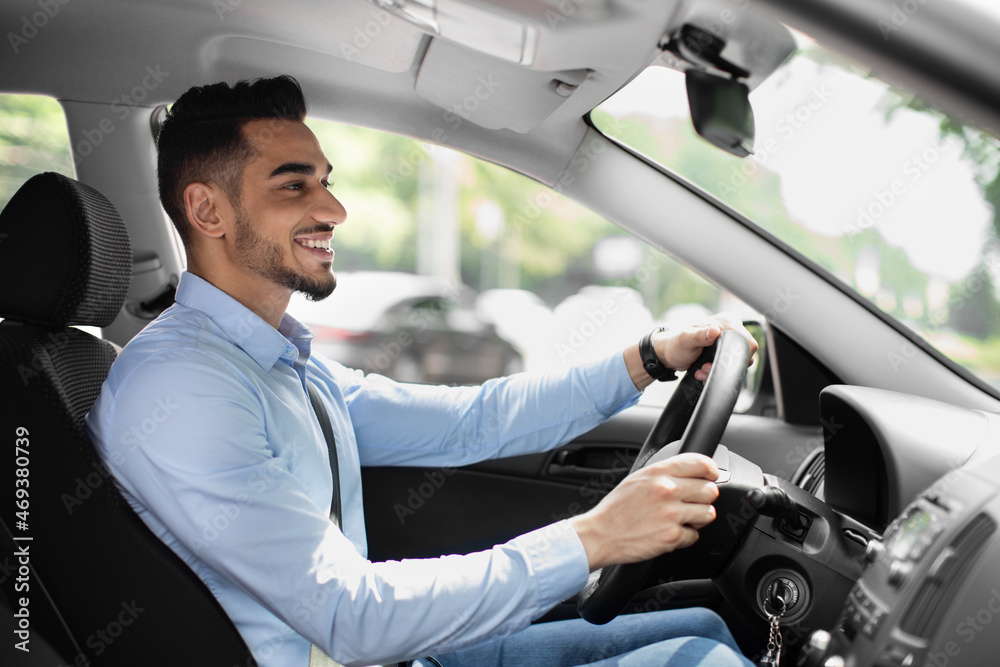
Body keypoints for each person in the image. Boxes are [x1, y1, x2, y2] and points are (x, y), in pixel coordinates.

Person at [86, 75, 759, 667]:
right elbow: (351, 615)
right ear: (209, 210)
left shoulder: (279, 362)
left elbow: (474, 422)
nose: (333, 209)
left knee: (702, 625)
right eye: (295, 184)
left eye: (326, 181)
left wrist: (645, 359)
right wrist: (596, 534)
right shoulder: (182, 386)